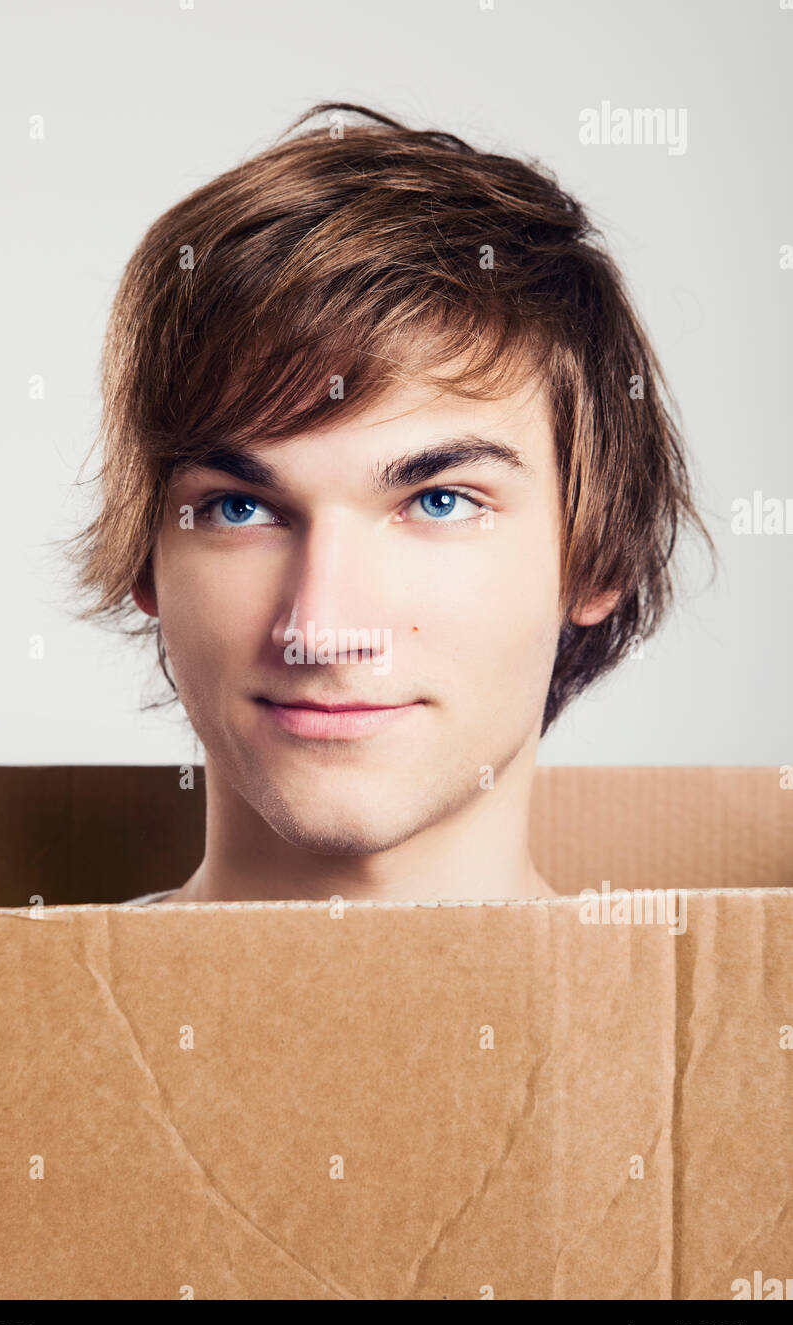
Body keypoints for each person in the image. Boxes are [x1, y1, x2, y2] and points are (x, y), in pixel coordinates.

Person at [69, 102, 712, 905]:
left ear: (599, 553)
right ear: (145, 560)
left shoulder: (720, 1028)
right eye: (240, 509)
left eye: (441, 502)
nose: (325, 634)